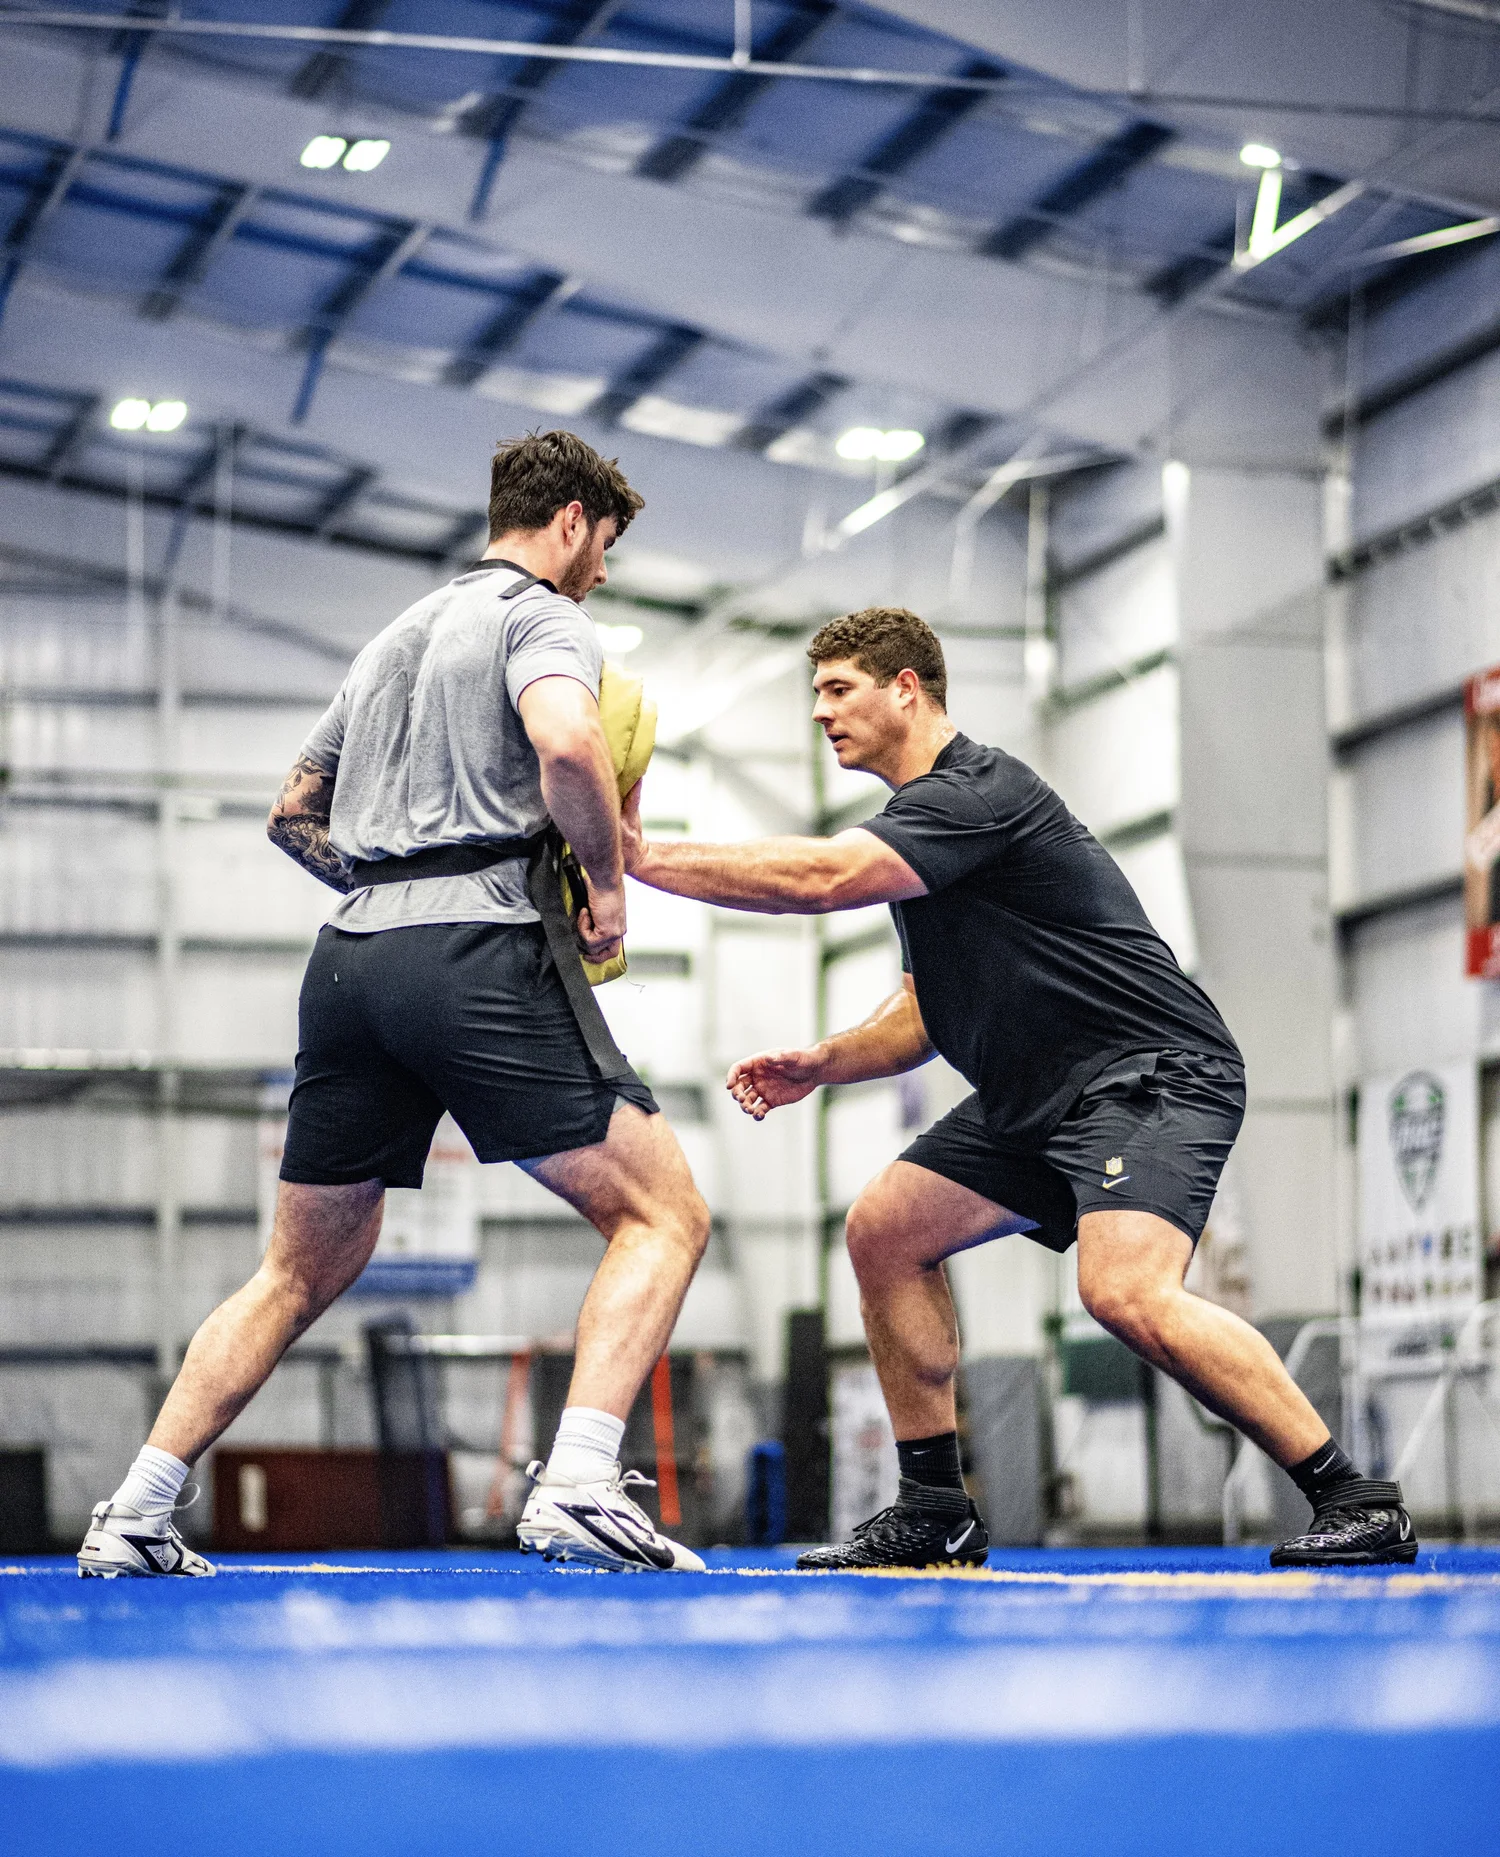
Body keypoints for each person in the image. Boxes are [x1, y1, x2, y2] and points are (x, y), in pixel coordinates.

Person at [622, 605, 1416, 1570]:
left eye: (839, 690)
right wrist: (821, 1063)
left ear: (906, 687)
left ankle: (1355, 1497)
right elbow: (920, 1013)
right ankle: (933, 1510)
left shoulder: (977, 791)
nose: (820, 715)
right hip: (1033, 1099)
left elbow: (823, 878)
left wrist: (642, 855)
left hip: (1147, 1071)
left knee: (1124, 1292)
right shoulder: (922, 840)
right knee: (885, 1228)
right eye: (815, 696)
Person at [78, 430, 710, 1579]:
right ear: (569, 520)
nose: (603, 574)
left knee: (297, 1270)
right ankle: (575, 1482)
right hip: (477, 948)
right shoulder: (542, 616)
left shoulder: (388, 642)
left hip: (350, 962)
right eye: (604, 547)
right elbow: (568, 741)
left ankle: (134, 1508)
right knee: (664, 1213)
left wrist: (391, 884)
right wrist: (607, 887)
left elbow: (292, 811)